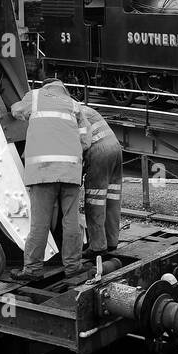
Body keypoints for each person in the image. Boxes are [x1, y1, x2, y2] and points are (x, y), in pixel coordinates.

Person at [10, 80, 85, 280]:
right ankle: (73, 267)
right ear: (63, 89)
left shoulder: (34, 96)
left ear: (45, 87)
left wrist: (13, 107)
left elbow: (17, 111)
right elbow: (86, 140)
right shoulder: (74, 105)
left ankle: (33, 269)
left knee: (40, 223)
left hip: (43, 172)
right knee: (71, 220)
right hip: (71, 172)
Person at [76, 102, 123, 260]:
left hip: (99, 152)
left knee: (94, 201)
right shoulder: (84, 108)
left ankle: (97, 247)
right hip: (115, 148)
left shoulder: (70, 112)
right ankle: (111, 242)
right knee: (112, 199)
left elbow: (80, 144)